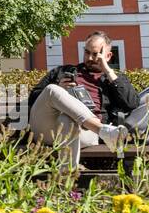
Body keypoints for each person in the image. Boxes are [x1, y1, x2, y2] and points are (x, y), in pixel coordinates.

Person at [27, 31, 139, 167]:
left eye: (96, 54)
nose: (90, 58)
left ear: (108, 56)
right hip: (48, 127)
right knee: (51, 89)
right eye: (87, 52)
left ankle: (66, 183)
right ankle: (103, 131)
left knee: (67, 119)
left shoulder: (112, 79)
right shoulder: (63, 72)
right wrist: (60, 87)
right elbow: (33, 98)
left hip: (85, 133)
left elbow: (131, 103)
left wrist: (108, 71)